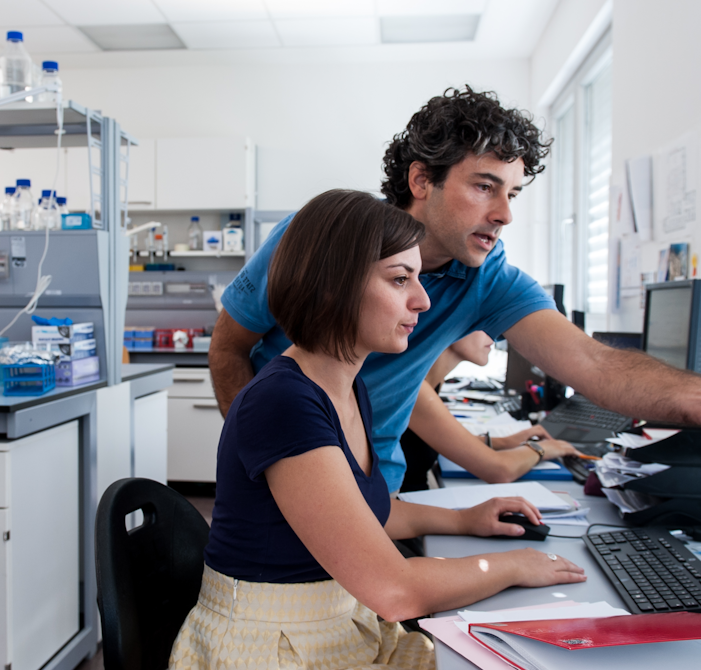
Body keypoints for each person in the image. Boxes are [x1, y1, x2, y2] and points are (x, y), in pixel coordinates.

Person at [211, 86, 701, 498]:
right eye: (484, 187)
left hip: (375, 495)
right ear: (421, 179)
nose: (504, 214)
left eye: (513, 194)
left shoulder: (487, 278)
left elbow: (594, 364)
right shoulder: (322, 241)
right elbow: (229, 346)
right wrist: (258, 459)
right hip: (291, 483)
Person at [170, 190, 586, 670]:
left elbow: (365, 514)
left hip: (335, 625)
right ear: (333, 286)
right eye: (400, 279)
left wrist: (464, 520)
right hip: (273, 647)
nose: (422, 300)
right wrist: (512, 566)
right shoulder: (284, 402)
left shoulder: (348, 389)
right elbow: (394, 591)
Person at [399, 332, 581, 490]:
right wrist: (544, 449)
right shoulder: (414, 388)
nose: (494, 335)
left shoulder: (432, 381)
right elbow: (500, 470)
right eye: (483, 324)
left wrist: (506, 442)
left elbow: (444, 438)